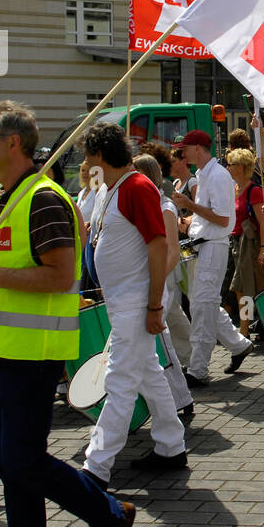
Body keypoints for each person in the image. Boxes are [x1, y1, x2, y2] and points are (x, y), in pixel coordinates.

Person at [0, 101, 135, 527]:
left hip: (32, 357)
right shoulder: (3, 198)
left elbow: (60, 274)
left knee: (23, 462)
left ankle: (108, 515)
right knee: (11, 465)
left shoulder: (44, 199)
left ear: (13, 143)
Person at [80, 122, 189, 483]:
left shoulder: (136, 186)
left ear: (99, 155)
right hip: (125, 301)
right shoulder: (113, 188)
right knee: (148, 374)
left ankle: (96, 466)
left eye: (87, 155)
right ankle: (171, 446)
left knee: (120, 381)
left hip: (134, 302)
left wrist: (154, 305)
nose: (85, 162)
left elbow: (158, 245)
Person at [176, 129, 253, 386]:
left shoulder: (217, 176)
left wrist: (191, 207)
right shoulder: (206, 174)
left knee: (202, 305)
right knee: (204, 302)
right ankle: (239, 345)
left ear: (198, 148)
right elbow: (214, 216)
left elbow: (222, 219)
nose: (182, 152)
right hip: (205, 244)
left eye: (185, 148)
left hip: (213, 245)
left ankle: (198, 369)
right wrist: (192, 219)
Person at [133, 153, 195, 423]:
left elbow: (170, 250)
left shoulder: (164, 205)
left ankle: (181, 397)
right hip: (151, 278)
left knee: (161, 338)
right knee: (162, 337)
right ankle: (179, 397)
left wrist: (155, 281)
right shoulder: (149, 203)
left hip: (161, 279)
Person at [225, 147, 264, 340]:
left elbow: (262, 221)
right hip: (235, 244)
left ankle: (244, 328)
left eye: (231, 164)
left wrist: (263, 248)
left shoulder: (254, 190)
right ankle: (248, 324)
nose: (228, 167)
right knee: (240, 289)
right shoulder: (233, 189)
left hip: (248, 246)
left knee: (244, 289)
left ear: (241, 167)